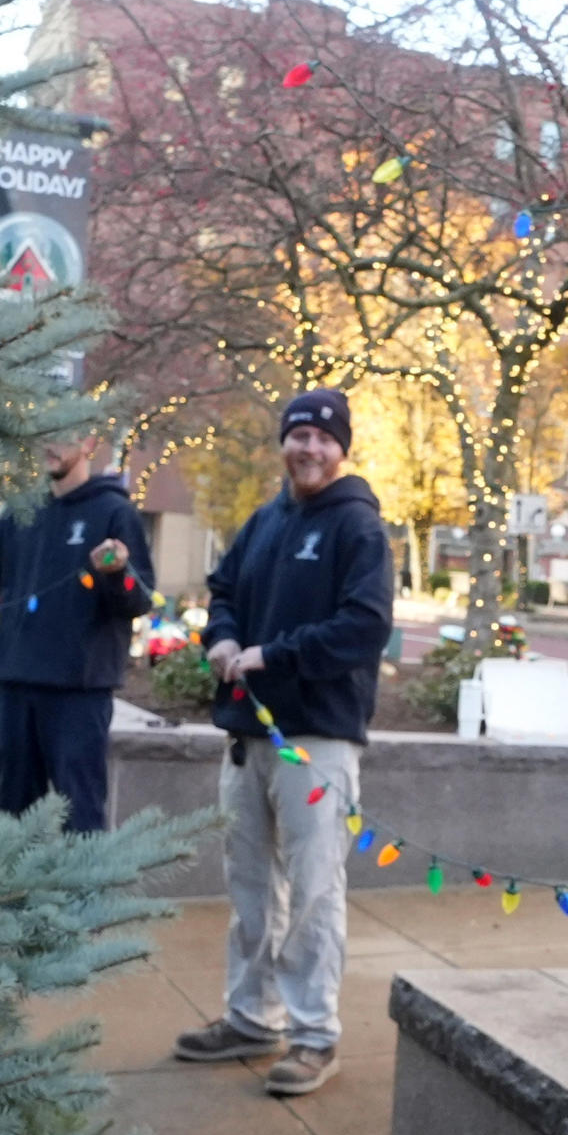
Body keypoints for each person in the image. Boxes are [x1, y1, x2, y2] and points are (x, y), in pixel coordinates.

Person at [174, 388, 393, 1099]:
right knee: (249, 893)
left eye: (322, 438)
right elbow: (223, 588)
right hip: (247, 737)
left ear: (342, 447)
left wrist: (271, 655)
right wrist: (224, 635)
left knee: (312, 895)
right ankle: (249, 1017)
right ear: (283, 443)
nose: (308, 449)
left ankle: (312, 1036)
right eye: (297, 436)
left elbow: (363, 628)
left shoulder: (356, 527)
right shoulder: (265, 520)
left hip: (317, 741)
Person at [0, 427, 152, 831]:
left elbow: (139, 598)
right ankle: (18, 898)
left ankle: (84, 896)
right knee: (16, 821)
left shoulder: (114, 513)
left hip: (78, 694)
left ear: (89, 442)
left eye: (63, 433)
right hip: (14, 688)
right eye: (45, 434)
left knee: (81, 820)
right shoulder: (19, 513)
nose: (50, 445)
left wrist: (116, 573)